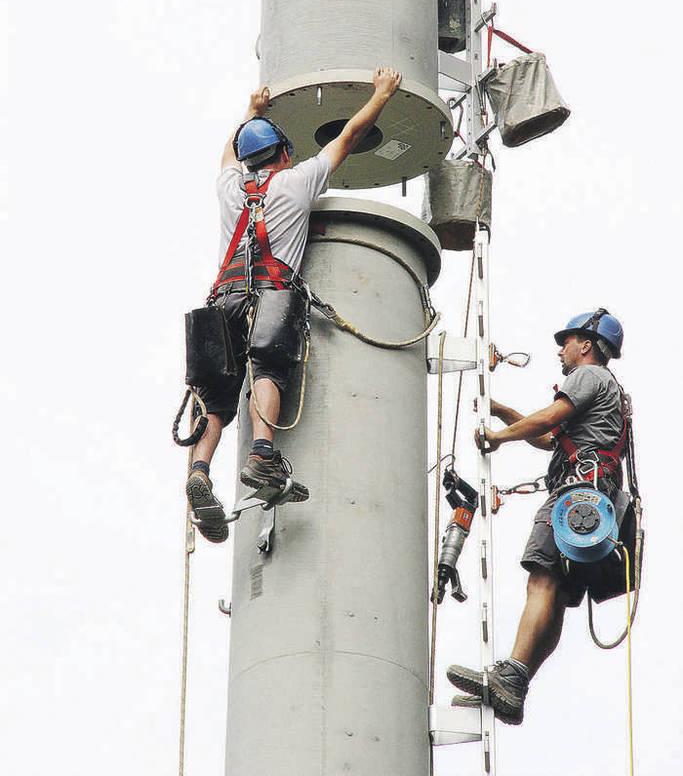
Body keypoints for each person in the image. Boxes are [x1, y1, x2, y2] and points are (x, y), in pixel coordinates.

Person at [186, 66, 403, 543]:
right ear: (284, 153)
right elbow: (349, 136)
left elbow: (227, 152)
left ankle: (200, 469)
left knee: (214, 400)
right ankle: (262, 454)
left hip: (223, 300)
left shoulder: (228, 189)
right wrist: (382, 95)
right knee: (266, 370)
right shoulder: (297, 181)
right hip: (271, 295)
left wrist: (252, 111)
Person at [446, 308, 627, 725]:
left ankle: (511, 674)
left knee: (542, 580)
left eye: (566, 342)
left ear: (586, 345)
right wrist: (502, 412)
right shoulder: (608, 389)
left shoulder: (588, 376)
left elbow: (548, 419)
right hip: (593, 505)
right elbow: (550, 438)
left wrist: (497, 438)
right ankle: (517, 684)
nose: (560, 350)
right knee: (558, 596)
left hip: (574, 498)